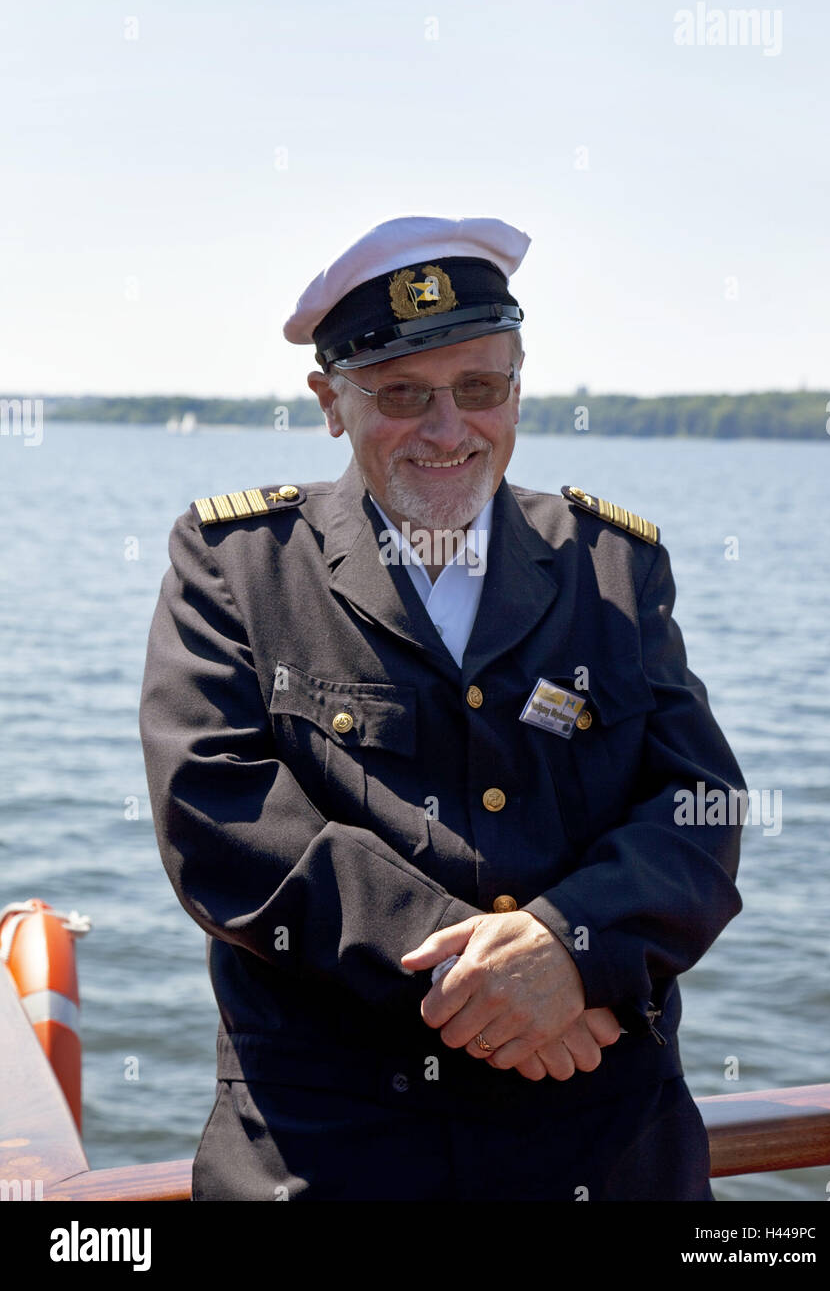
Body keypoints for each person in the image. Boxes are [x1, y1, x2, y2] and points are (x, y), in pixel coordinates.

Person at [139, 215, 746, 1202]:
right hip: (334, 1151)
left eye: (478, 389)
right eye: (401, 395)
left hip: (599, 1145)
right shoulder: (237, 565)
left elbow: (698, 806)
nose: (445, 429)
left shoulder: (614, 565)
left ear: (517, 385)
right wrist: (499, 986)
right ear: (328, 402)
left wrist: (570, 945)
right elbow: (222, 823)